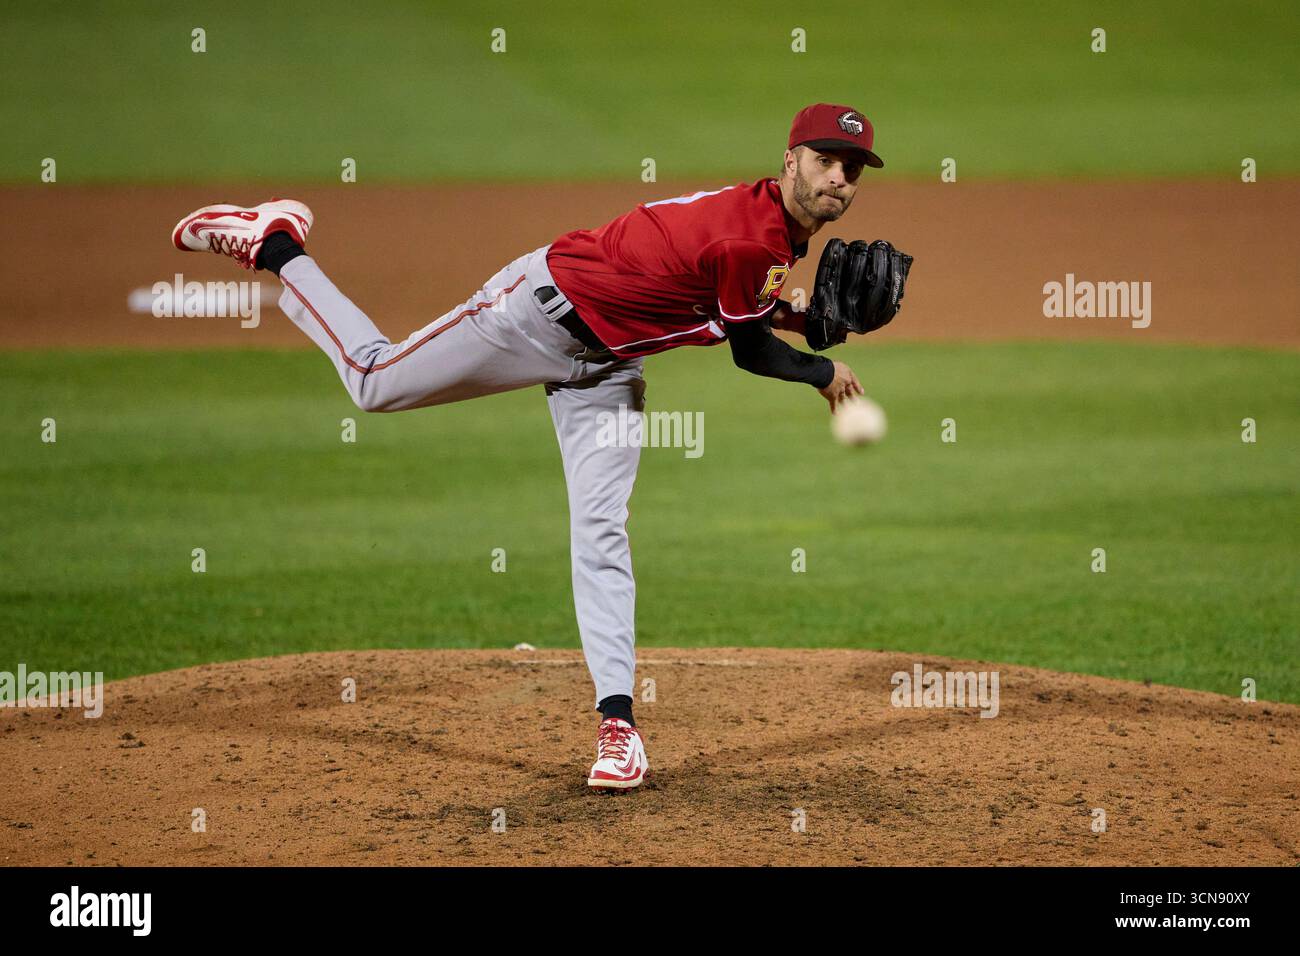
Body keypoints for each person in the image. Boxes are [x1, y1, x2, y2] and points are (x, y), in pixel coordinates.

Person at [171, 102, 881, 791]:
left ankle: (618, 728)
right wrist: (820, 369)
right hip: (530, 319)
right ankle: (276, 243)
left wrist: (803, 315)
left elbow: (726, 299)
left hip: (608, 367)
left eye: (851, 169)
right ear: (790, 160)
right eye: (825, 161)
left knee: (602, 531)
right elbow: (748, 348)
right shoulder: (752, 234)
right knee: (372, 382)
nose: (838, 180)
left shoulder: (771, 228)